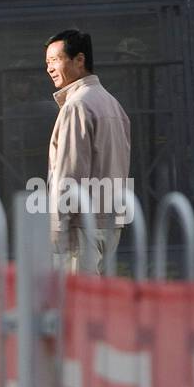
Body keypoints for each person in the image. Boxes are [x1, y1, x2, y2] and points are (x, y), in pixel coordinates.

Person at [44, 28, 132, 274]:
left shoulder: (77, 106)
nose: (49, 68)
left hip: (81, 228)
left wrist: (57, 230)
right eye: (47, 62)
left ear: (79, 60)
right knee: (99, 306)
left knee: (76, 306)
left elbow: (68, 175)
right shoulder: (112, 104)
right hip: (110, 222)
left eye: (55, 60)